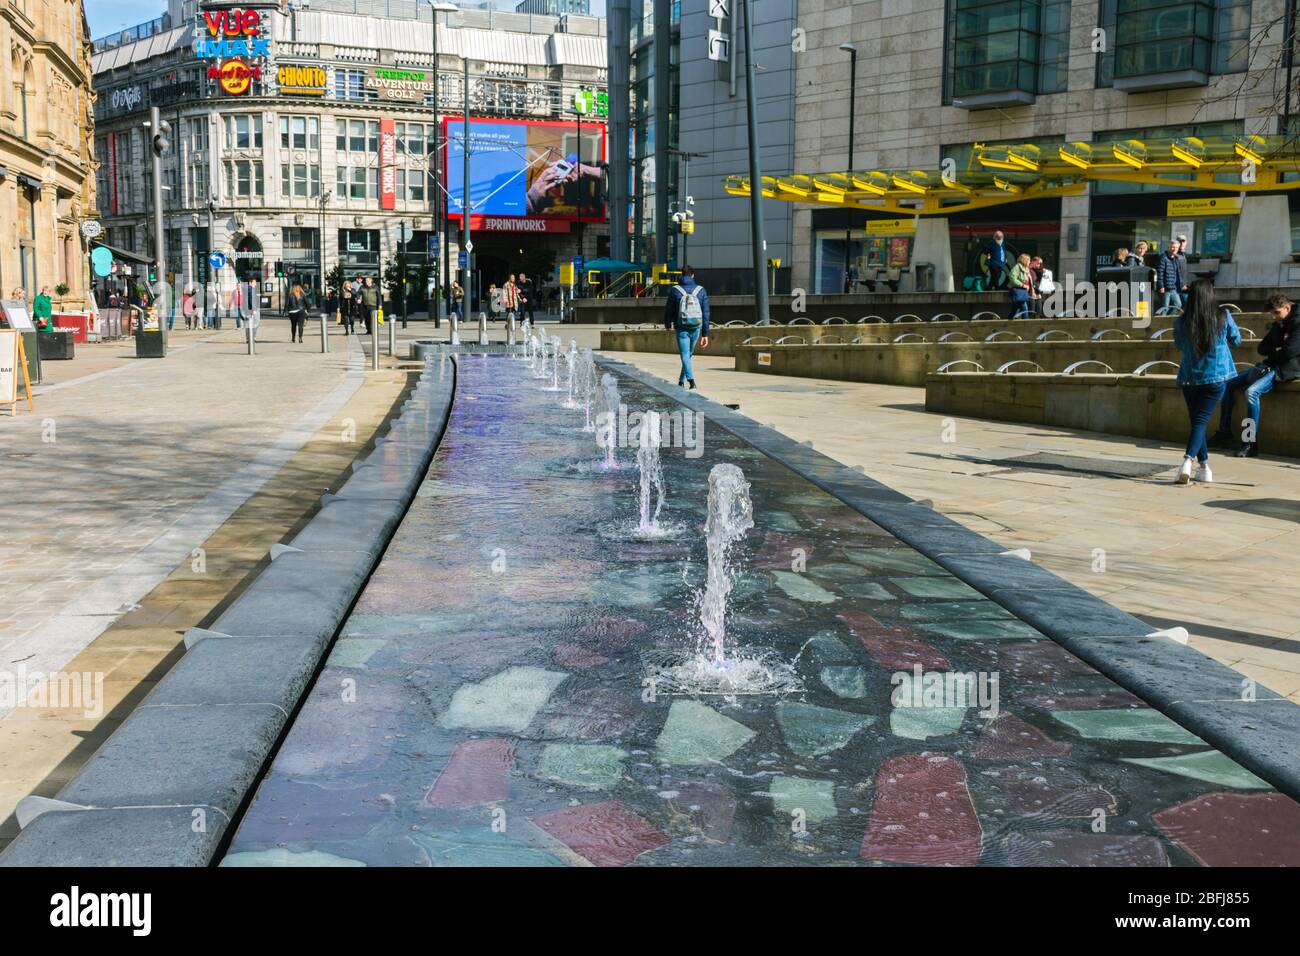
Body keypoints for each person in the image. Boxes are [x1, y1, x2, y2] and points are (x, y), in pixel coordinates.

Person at [1210, 294, 1300, 458]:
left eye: (1276, 313)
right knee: (1228, 385)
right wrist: (1277, 351)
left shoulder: (1297, 323)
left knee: (1251, 393)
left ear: (1287, 308)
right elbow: (1261, 348)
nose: (1273, 317)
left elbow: (1292, 351)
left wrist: (1278, 352)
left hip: (1287, 369)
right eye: (1271, 314)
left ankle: (1250, 443)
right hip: (1270, 365)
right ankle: (1224, 432)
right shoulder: (1279, 323)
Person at [1172, 279, 1240, 484]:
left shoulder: (1181, 322)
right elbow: (1237, 340)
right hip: (1216, 376)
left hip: (1190, 377)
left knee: (1197, 421)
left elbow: (1179, 345)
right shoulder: (1223, 315)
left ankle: (1204, 467)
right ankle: (1188, 461)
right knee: (1200, 422)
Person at [663, 265, 710, 389]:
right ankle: (681, 381)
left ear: (681, 274)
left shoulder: (675, 290)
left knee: (685, 355)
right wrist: (705, 334)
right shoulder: (701, 290)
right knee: (688, 355)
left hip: (681, 327)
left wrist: (668, 324)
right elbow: (705, 313)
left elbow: (668, 309)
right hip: (696, 327)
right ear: (693, 275)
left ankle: (691, 381)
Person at [1157, 241, 1182, 314]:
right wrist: (1161, 286)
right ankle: (1161, 324)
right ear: (1168, 247)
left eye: (1176, 247)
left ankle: (1168, 320)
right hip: (1165, 288)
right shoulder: (1163, 258)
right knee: (1164, 309)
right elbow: (1160, 273)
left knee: (1178, 305)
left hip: (1173, 288)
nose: (1174, 249)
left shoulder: (1176, 259)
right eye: (1173, 247)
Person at [1008, 253, 1033, 319]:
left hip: (1024, 292)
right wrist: (1022, 285)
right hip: (1018, 290)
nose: (1030, 262)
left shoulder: (1026, 269)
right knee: (1024, 307)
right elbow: (1012, 277)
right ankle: (1027, 323)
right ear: (1025, 260)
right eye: (1029, 260)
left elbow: (1029, 280)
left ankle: (1009, 321)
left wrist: (1032, 291)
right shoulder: (1017, 267)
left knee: (1015, 309)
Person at [1176, 234, 1190, 308]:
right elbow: (1177, 272)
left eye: (1183, 241)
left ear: (1186, 242)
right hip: (1178, 287)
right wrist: (1182, 285)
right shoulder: (1175, 255)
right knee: (1177, 307)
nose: (1181, 243)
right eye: (1179, 241)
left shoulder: (1184, 255)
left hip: (1184, 287)